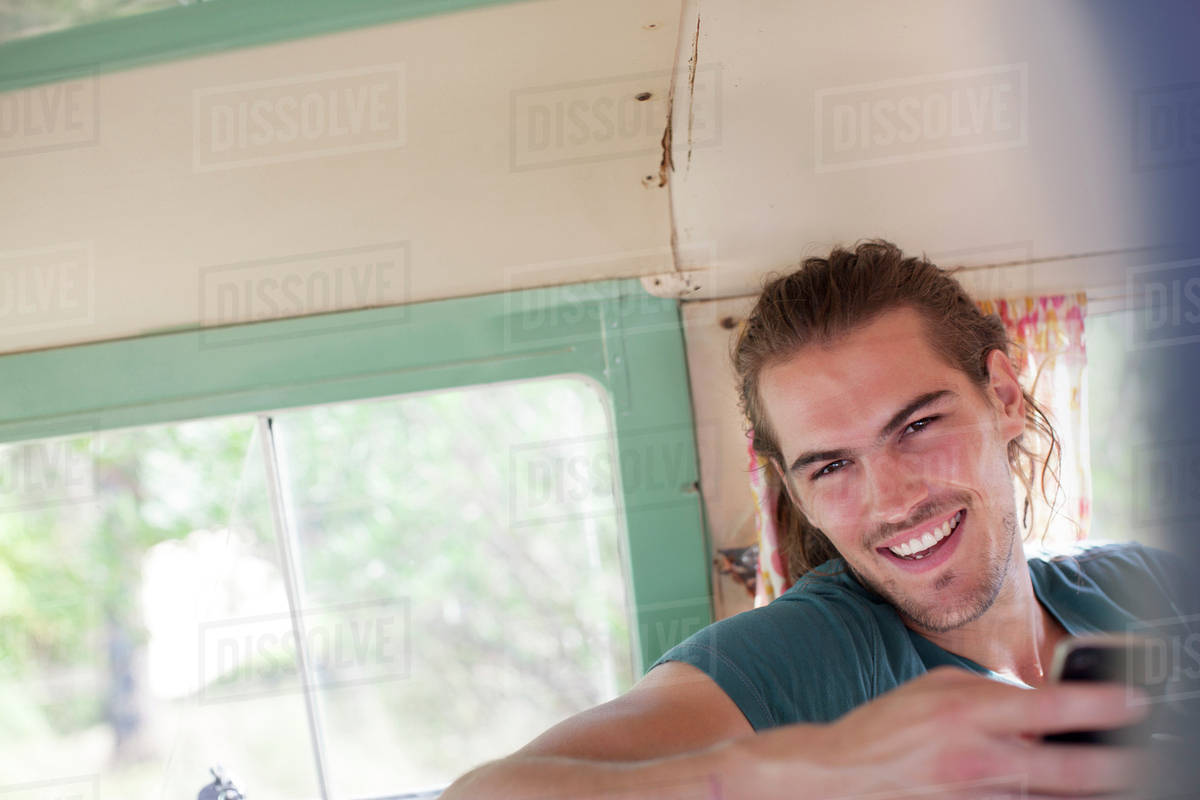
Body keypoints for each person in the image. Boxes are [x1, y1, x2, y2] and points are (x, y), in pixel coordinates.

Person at [442, 240, 1186, 800]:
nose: (892, 501)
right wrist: (816, 764)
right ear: (795, 493)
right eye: (831, 466)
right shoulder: (810, 656)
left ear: (1004, 396)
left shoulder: (1142, 582)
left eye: (918, 426)